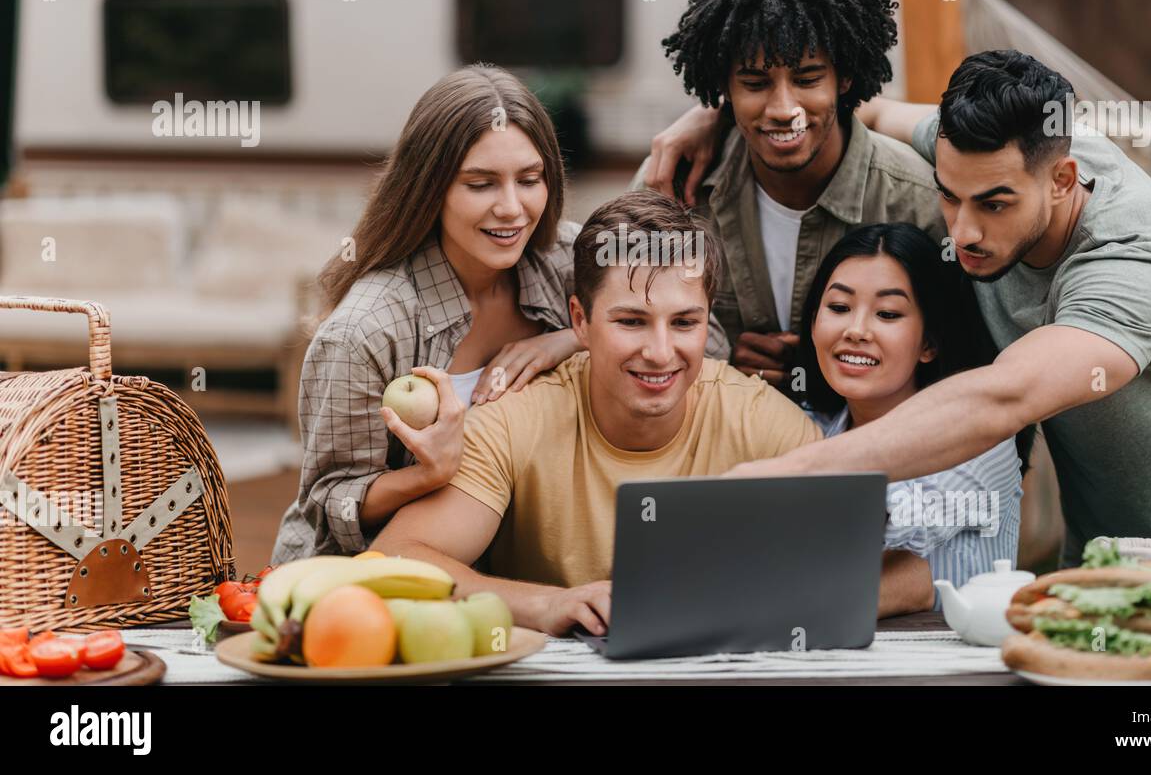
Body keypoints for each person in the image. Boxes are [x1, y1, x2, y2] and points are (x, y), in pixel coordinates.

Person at [724, 50, 1151, 563]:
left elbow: (1004, 396)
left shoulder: (1139, 263)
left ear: (1063, 181)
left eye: (994, 205)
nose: (965, 231)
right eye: (948, 196)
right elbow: (867, 112)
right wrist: (710, 123)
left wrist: (787, 475)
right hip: (1101, 548)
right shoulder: (991, 151)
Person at [370, 190, 834, 635]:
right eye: (631, 321)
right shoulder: (514, 420)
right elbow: (395, 559)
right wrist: (545, 604)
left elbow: (865, 566)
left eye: (685, 323)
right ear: (579, 321)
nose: (659, 352)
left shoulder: (760, 419)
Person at [272, 65, 588, 562]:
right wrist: (427, 474)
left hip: (513, 567)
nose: (512, 208)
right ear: (429, 188)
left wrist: (572, 338)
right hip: (364, 585)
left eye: (529, 179)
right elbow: (329, 504)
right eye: (481, 184)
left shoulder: (566, 260)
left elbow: (697, 338)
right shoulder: (365, 331)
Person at [634, 0, 945, 393]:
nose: (783, 107)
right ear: (724, 90)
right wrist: (716, 360)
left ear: (846, 78)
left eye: (807, 78)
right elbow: (622, 325)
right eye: (755, 82)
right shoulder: (668, 189)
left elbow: (964, 365)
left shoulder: (918, 202)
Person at [798, 223, 1022, 606]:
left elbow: (891, 523)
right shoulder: (805, 424)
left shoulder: (981, 438)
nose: (856, 330)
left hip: (960, 661)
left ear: (929, 344)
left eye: (887, 314)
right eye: (838, 307)